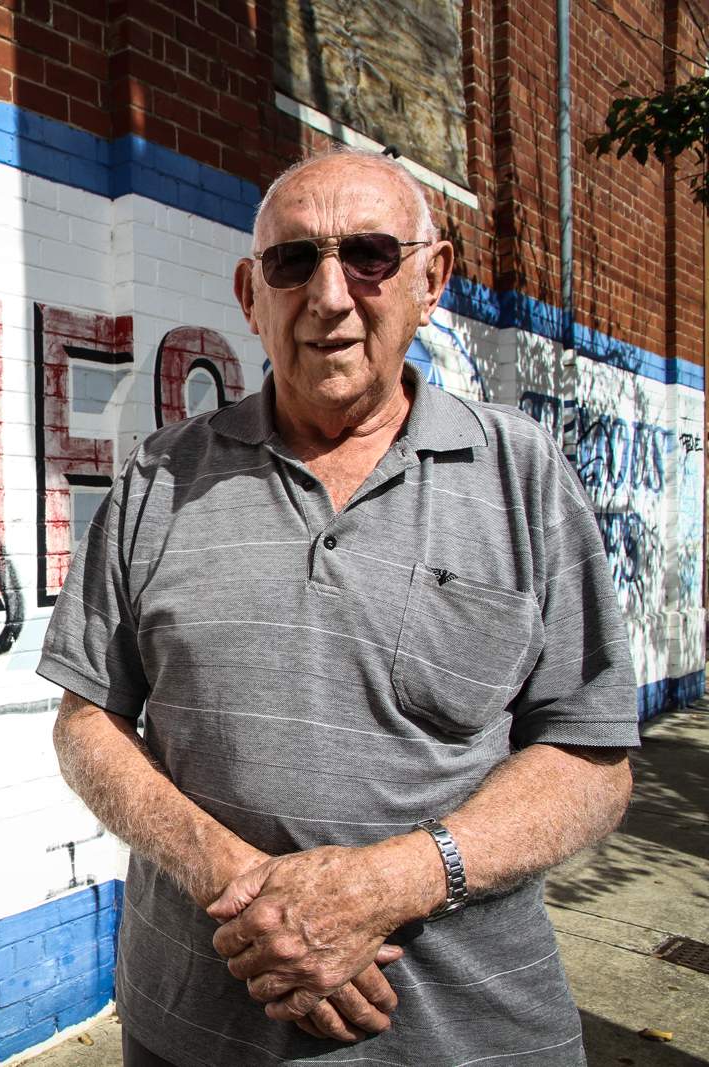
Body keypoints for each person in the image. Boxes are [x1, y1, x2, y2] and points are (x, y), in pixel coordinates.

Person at [39, 147, 638, 1066]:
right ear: (251, 292)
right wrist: (243, 887)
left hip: (467, 1039)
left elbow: (592, 757)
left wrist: (388, 883)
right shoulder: (161, 477)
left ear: (430, 278)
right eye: (294, 262)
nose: (329, 295)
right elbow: (87, 720)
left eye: (369, 255)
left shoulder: (523, 477)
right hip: (194, 1032)